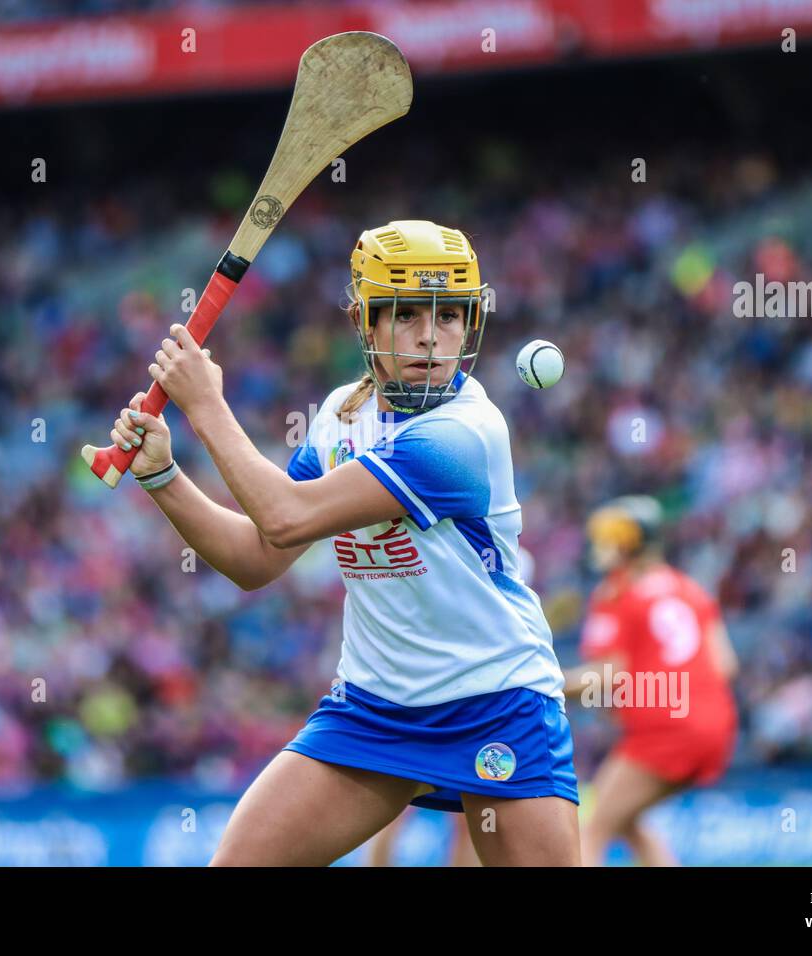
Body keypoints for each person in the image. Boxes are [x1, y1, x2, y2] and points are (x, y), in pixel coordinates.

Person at [108, 220, 579, 865]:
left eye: (449, 317)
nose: (428, 337)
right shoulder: (341, 414)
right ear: (365, 322)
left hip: (496, 703)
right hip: (373, 711)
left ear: (470, 324)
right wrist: (163, 475)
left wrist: (206, 404)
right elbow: (256, 558)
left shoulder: (463, 436)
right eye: (403, 314)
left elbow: (284, 517)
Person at [567, 496, 738, 866]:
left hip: (664, 730)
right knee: (626, 819)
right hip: (714, 727)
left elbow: (609, 674)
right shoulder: (691, 590)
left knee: (592, 827)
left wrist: (547, 685)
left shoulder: (618, 592)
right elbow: (725, 664)